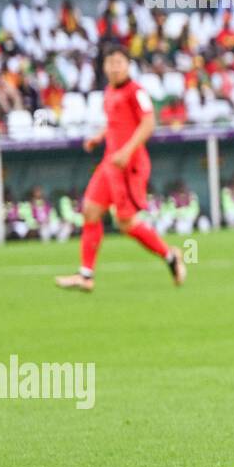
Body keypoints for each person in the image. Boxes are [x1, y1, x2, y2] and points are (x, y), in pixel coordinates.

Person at [55, 47, 187, 292]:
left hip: (129, 165)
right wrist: (99, 136)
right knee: (90, 211)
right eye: (110, 62)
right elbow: (117, 124)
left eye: (119, 62)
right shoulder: (109, 91)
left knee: (126, 224)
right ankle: (86, 274)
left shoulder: (136, 92)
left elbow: (148, 123)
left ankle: (171, 256)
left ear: (128, 65)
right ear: (104, 66)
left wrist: (127, 151)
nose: (115, 67)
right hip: (110, 163)